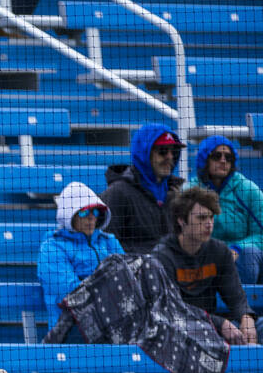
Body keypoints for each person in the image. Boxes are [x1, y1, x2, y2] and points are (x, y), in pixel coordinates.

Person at [151, 186, 258, 373]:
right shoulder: (162, 257)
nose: (209, 224)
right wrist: (220, 323)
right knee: (209, 350)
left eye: (210, 217)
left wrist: (247, 319)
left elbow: (236, 296)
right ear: (181, 221)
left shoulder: (218, 251)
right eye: (201, 218)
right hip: (177, 334)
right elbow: (173, 310)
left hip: (213, 329)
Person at [37, 182, 125, 330]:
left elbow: (128, 281)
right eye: (84, 212)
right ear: (68, 215)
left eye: (95, 212)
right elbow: (69, 295)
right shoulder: (52, 248)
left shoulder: (109, 241)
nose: (91, 218)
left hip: (116, 328)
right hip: (72, 332)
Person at [186, 135, 263, 287]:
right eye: (216, 156)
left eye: (228, 157)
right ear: (204, 160)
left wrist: (237, 248)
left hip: (240, 258)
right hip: (202, 254)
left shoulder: (248, 190)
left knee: (250, 253)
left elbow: (261, 234)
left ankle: (244, 305)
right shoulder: (189, 192)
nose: (223, 160)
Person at [101, 123, 186, 254]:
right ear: (144, 153)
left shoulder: (177, 193)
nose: (170, 157)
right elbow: (107, 247)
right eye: (163, 151)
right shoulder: (117, 193)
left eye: (174, 151)